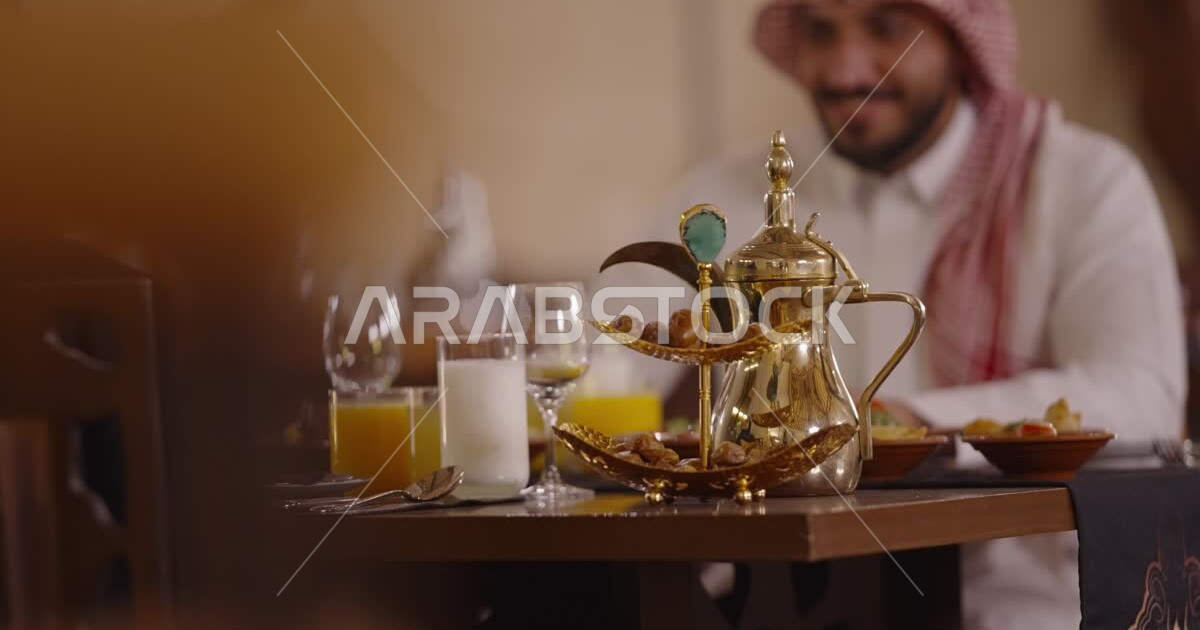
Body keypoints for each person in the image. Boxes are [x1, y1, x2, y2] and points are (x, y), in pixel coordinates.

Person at [599, 0, 1186, 627]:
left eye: (888, 29)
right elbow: (603, 369)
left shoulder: (1078, 181)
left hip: (1018, 602)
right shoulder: (724, 200)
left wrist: (906, 422)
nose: (848, 70)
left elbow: (1140, 392)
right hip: (767, 599)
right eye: (821, 32)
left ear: (961, 42)